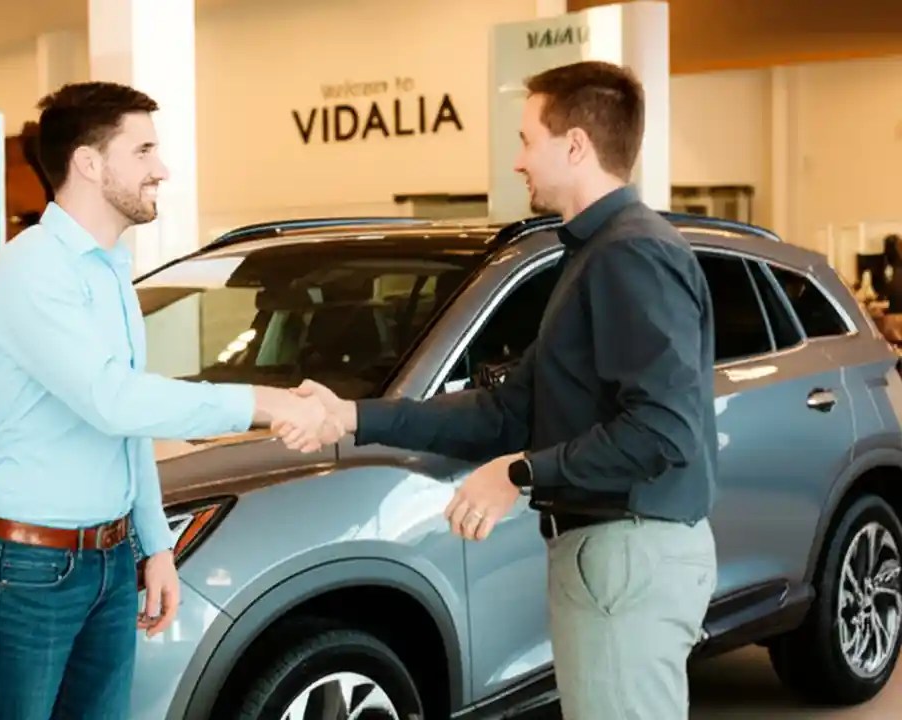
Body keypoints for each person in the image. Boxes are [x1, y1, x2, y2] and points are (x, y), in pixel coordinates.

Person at [296, 61, 718, 720]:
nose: (517, 160)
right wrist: (352, 415)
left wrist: (520, 473)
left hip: (627, 551)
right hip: (611, 554)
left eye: (526, 140)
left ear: (575, 145)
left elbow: (661, 431)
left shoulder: (628, 254)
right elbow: (507, 411)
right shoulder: (594, 253)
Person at [0, 81, 335, 720]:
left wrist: (154, 544)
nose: (162, 169)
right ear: (88, 163)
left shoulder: (109, 268)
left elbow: (125, 427)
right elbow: (114, 401)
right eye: (143, 151)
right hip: (29, 569)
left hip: (108, 563)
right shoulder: (31, 269)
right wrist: (265, 402)